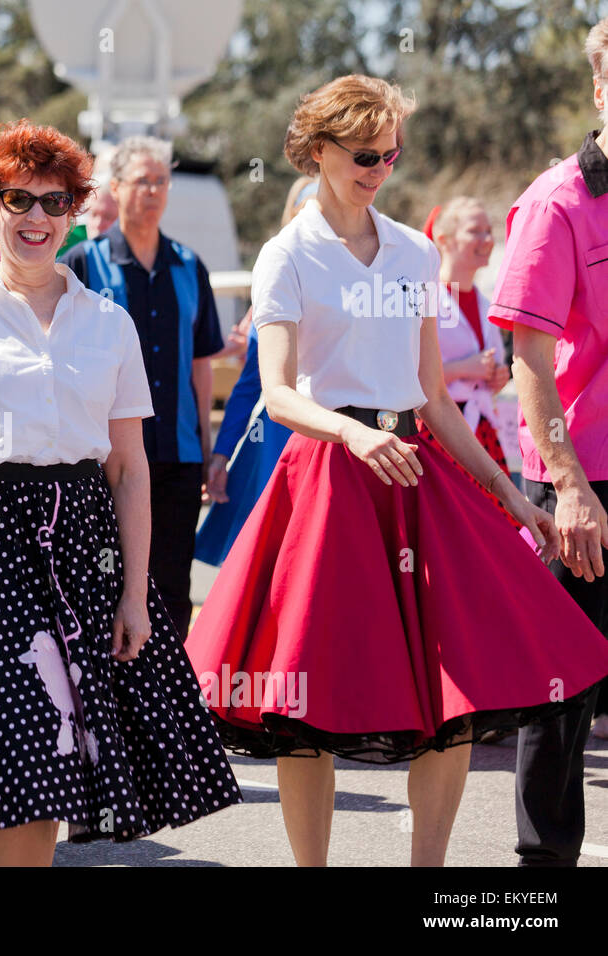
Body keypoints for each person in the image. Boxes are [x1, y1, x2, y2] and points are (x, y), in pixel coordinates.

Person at [184, 74, 608, 867]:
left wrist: (516, 497)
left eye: (391, 153)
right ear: (317, 152)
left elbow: (437, 401)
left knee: (449, 694)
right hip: (327, 480)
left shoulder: (415, 248)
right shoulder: (288, 254)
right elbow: (277, 395)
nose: (381, 167)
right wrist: (349, 434)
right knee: (304, 699)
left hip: (419, 475)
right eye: (364, 153)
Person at [0, 119, 242, 865]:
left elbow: (131, 469)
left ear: (75, 211)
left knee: (55, 766)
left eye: (53, 202)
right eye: (18, 200)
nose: (36, 218)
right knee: (10, 757)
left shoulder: (107, 324)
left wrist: (137, 595)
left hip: (84, 546)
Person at [489, 17, 608, 867]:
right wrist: (566, 484)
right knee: (564, 695)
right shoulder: (558, 200)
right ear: (600, 88)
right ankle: (544, 873)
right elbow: (527, 356)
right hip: (585, 483)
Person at [60, 136, 224, 637]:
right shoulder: (83, 264)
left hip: (176, 458)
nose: (152, 191)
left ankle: (167, 704)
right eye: (141, 181)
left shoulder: (189, 266)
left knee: (172, 586)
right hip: (103, 457)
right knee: (104, 583)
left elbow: (200, 364)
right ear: (116, 187)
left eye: (161, 181)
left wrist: (208, 446)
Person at [194, 177, 315, 567]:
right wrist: (221, 456)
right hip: (277, 436)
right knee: (270, 557)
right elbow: (248, 386)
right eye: (306, 207)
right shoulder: (274, 284)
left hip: (337, 434)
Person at [416, 197, 512, 515]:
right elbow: (409, 373)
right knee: (449, 523)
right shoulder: (425, 297)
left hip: (482, 431)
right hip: (438, 432)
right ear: (444, 240)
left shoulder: (487, 303)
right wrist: (462, 369)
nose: (487, 240)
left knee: (491, 525)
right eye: (475, 231)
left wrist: (497, 377)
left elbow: (488, 374)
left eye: (489, 230)